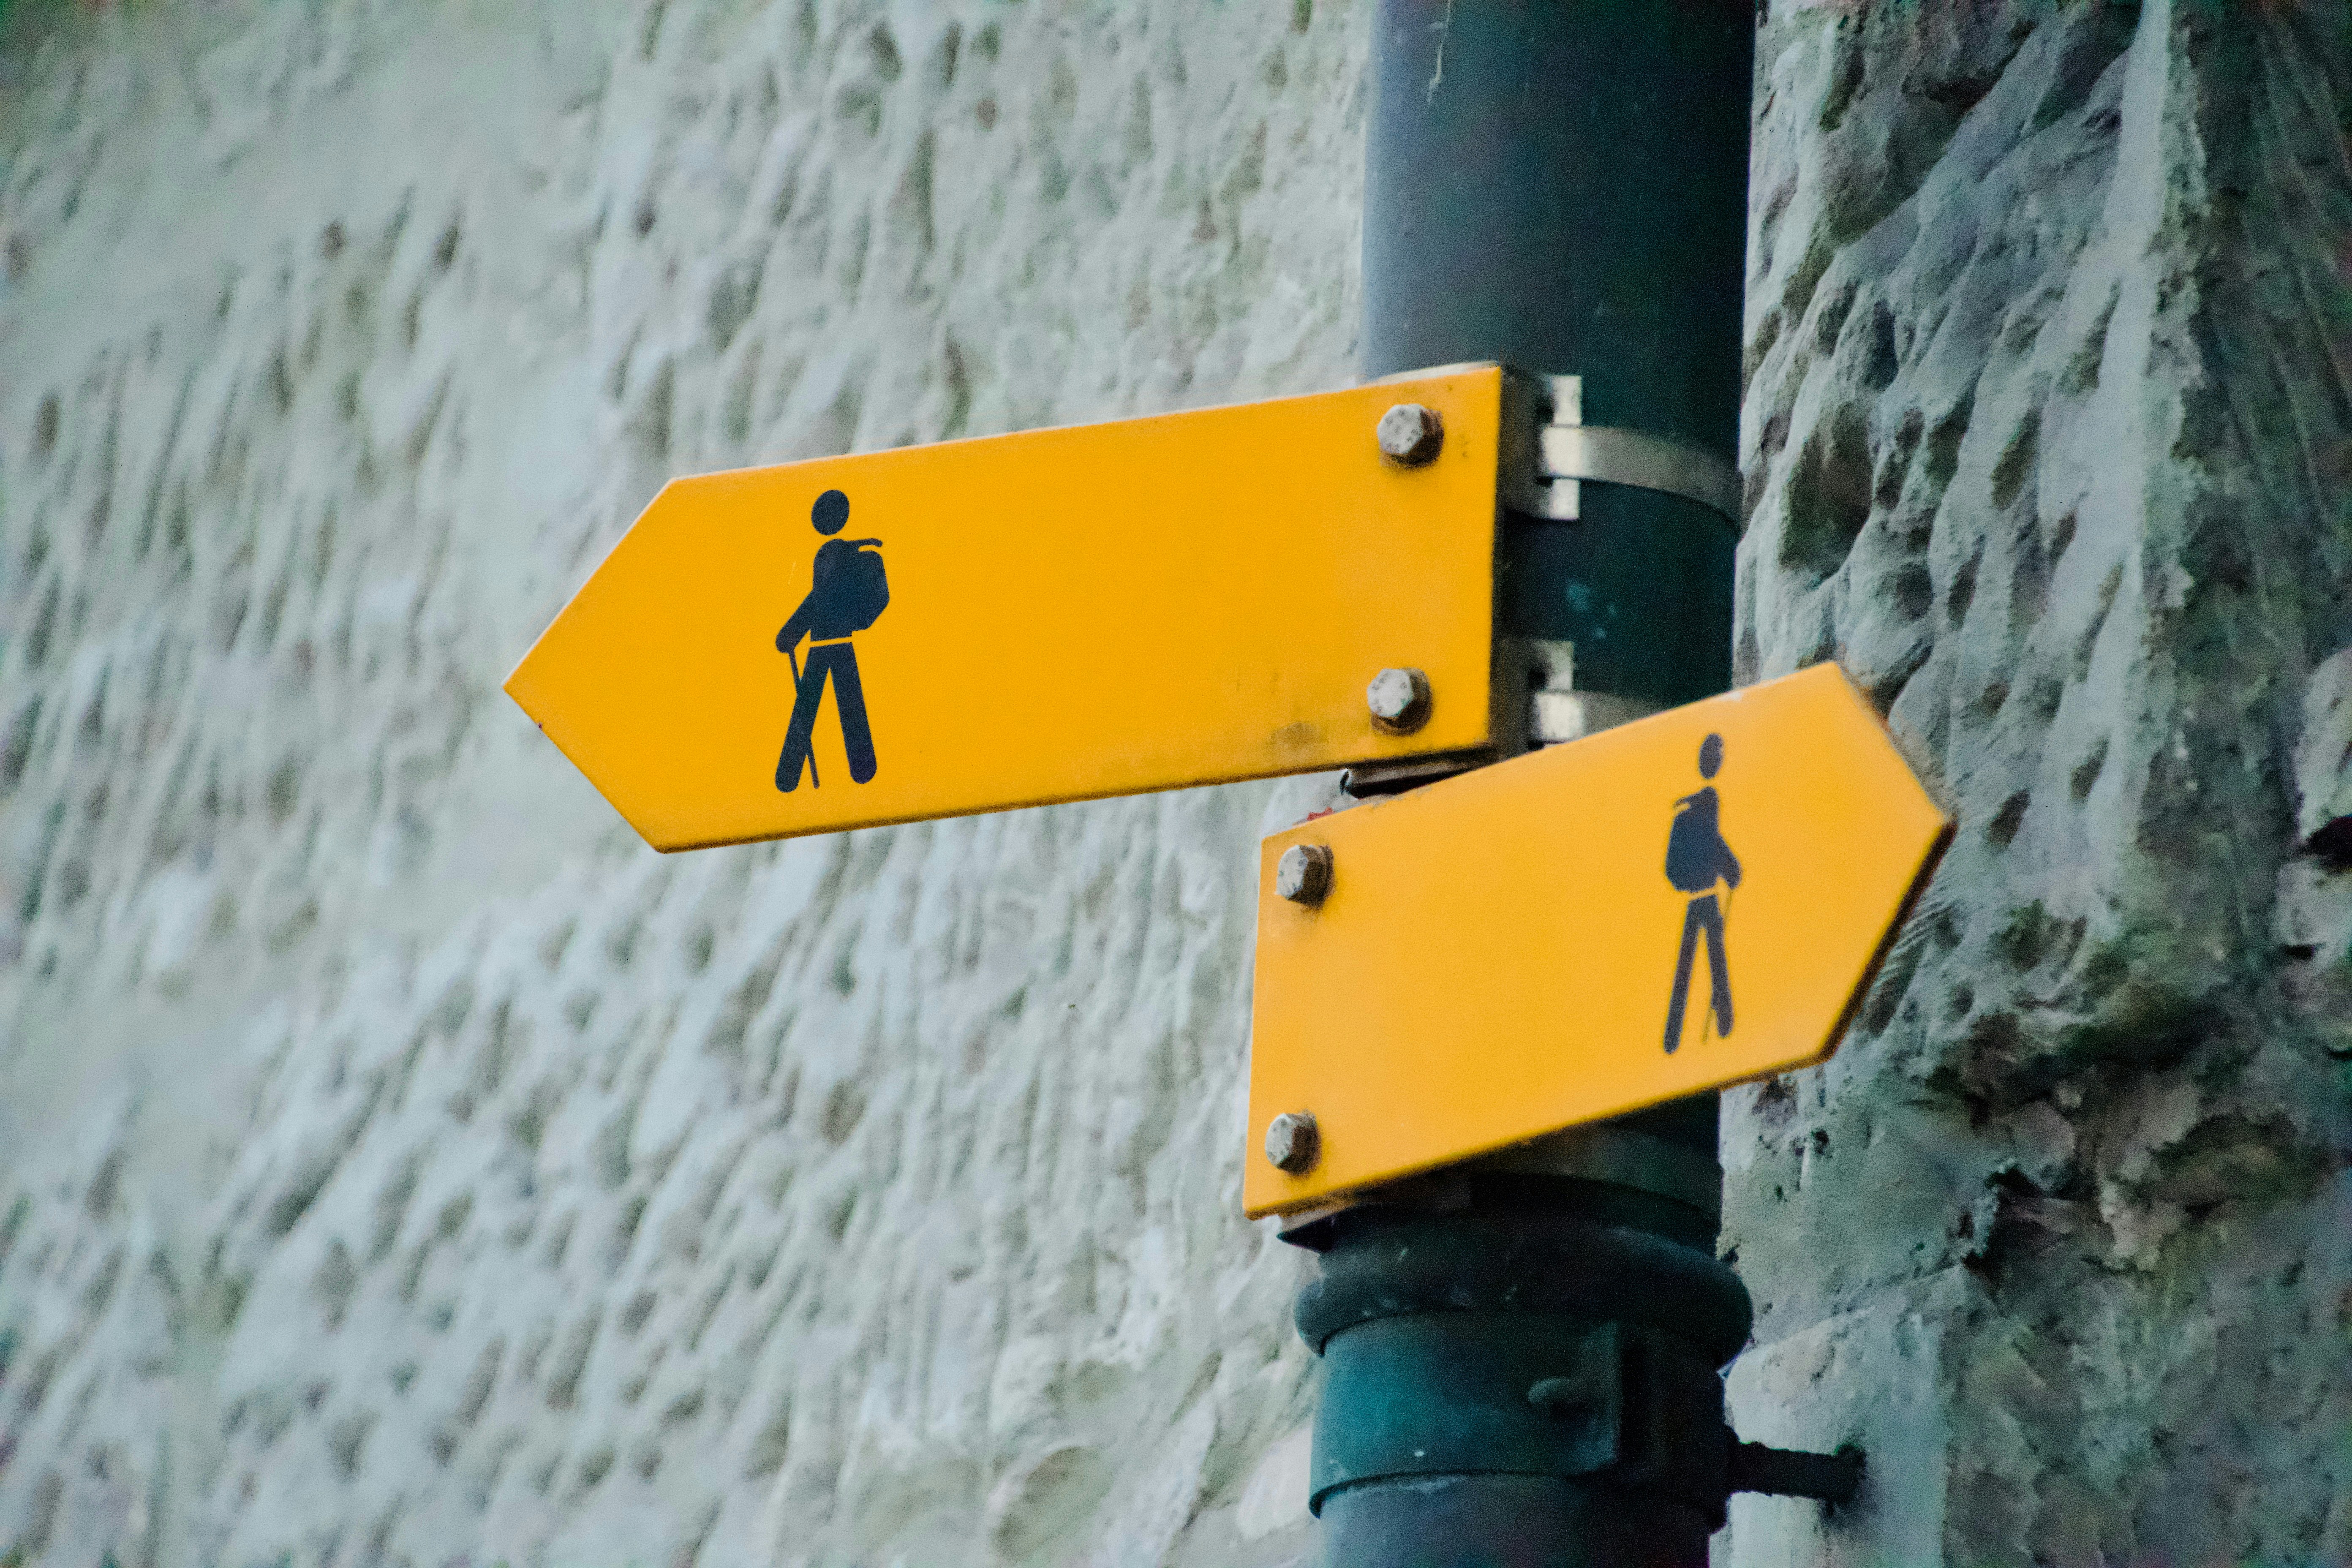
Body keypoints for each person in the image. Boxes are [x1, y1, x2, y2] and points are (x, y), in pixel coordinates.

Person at [775, 489, 887, 791]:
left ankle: (858, 771)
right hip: (829, 644)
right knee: (820, 705)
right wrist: (793, 632)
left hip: (830, 644)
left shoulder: (840, 558)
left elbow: (818, 600)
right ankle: (792, 776)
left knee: (830, 705)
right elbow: (818, 600)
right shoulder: (829, 556)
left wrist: (792, 631)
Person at [1663, 732, 1740, 1053]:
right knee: (1711, 959)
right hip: (1704, 897)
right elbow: (1713, 844)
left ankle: (1679, 1035)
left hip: (1698, 897)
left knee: (1697, 961)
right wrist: (1731, 870)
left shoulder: (1688, 818)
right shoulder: (1699, 819)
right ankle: (1721, 1025)